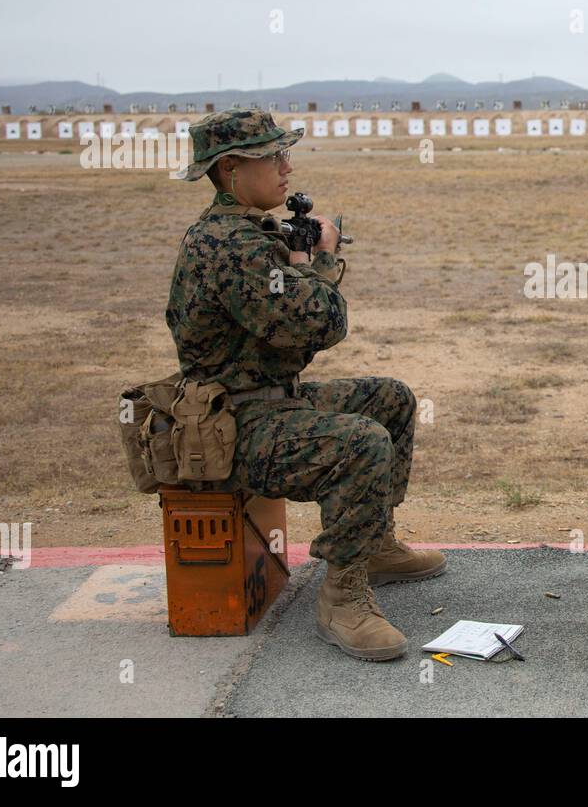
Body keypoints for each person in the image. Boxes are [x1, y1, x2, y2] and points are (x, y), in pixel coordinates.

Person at [165, 107, 445, 661]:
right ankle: (342, 599)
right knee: (361, 441)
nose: (286, 168)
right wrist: (319, 261)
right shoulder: (229, 246)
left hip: (268, 400)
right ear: (230, 171)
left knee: (390, 400)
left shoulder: (247, 232)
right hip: (233, 426)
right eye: (273, 157)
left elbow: (293, 345)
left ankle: (374, 546)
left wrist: (299, 262)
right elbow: (319, 325)